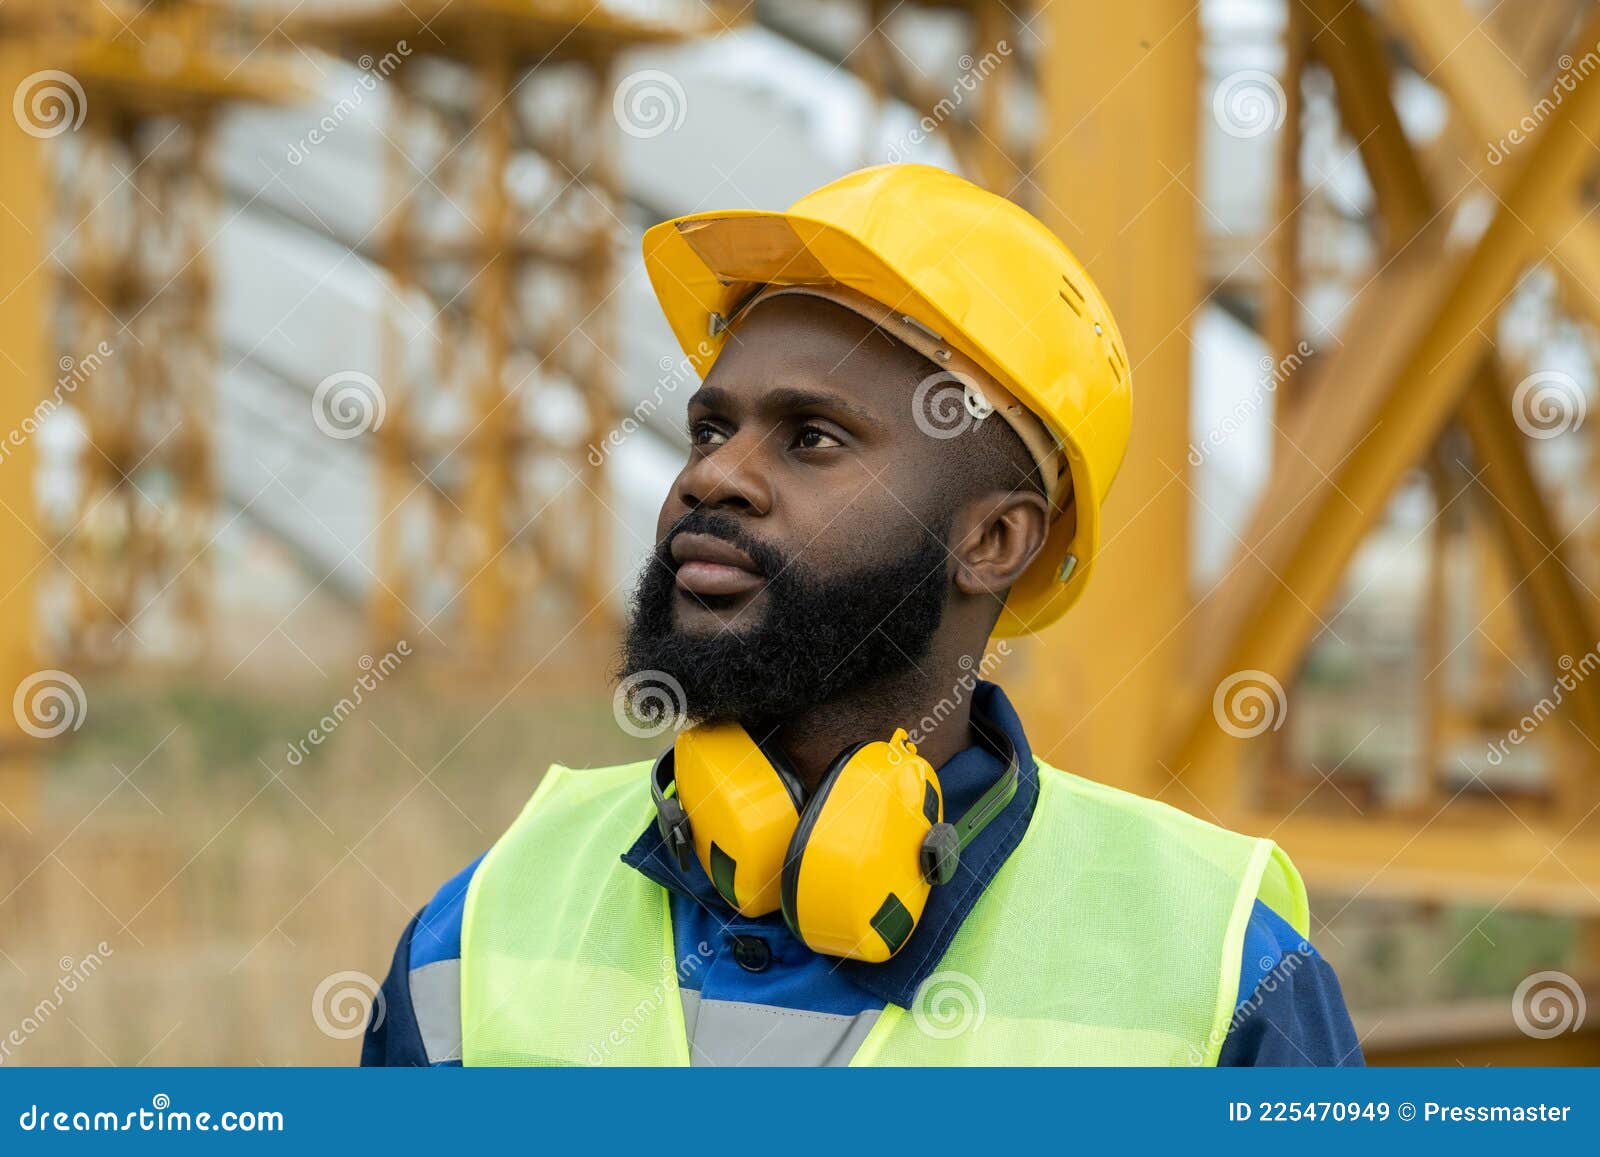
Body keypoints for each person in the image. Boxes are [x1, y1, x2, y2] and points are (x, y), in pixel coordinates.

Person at [363, 164, 1361, 1067]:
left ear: (993, 541)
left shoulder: (1220, 981)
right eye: (711, 426)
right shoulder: (483, 925)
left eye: (812, 438)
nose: (713, 475)